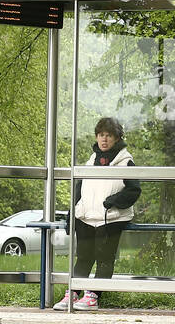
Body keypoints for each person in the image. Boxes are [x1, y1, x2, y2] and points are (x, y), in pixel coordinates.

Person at [55, 117, 141, 311]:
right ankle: (74, 293)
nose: (104, 139)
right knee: (83, 257)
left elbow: (134, 190)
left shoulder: (126, 162)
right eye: (101, 135)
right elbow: (79, 189)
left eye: (109, 136)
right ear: (96, 136)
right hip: (86, 216)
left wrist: (114, 201)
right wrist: (72, 213)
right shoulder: (91, 160)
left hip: (112, 218)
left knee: (104, 258)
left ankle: (93, 296)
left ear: (117, 138)